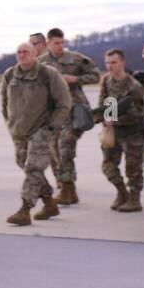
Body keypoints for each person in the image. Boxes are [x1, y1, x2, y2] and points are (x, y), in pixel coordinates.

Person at [1, 42, 72, 226]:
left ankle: (25, 209)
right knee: (27, 165)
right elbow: (4, 102)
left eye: (26, 51)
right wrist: (10, 123)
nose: (22, 55)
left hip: (46, 127)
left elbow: (64, 102)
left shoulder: (50, 73)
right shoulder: (10, 74)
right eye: (19, 52)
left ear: (35, 53)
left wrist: (52, 126)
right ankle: (50, 203)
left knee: (35, 167)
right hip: (19, 130)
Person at [38, 28, 100, 205]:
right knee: (55, 151)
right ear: (48, 43)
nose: (60, 46)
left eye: (62, 42)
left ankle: (66, 190)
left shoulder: (75, 58)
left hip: (75, 111)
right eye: (56, 43)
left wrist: (75, 79)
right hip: (54, 114)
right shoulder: (40, 62)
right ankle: (70, 190)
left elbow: (96, 75)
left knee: (65, 148)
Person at [96, 48, 144, 212]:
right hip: (113, 132)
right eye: (107, 63)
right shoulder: (106, 80)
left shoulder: (134, 86)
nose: (110, 66)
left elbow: (138, 114)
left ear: (122, 63)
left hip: (133, 132)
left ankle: (134, 199)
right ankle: (122, 193)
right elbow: (102, 103)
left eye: (114, 62)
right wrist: (101, 117)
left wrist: (113, 120)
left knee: (133, 168)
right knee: (108, 165)